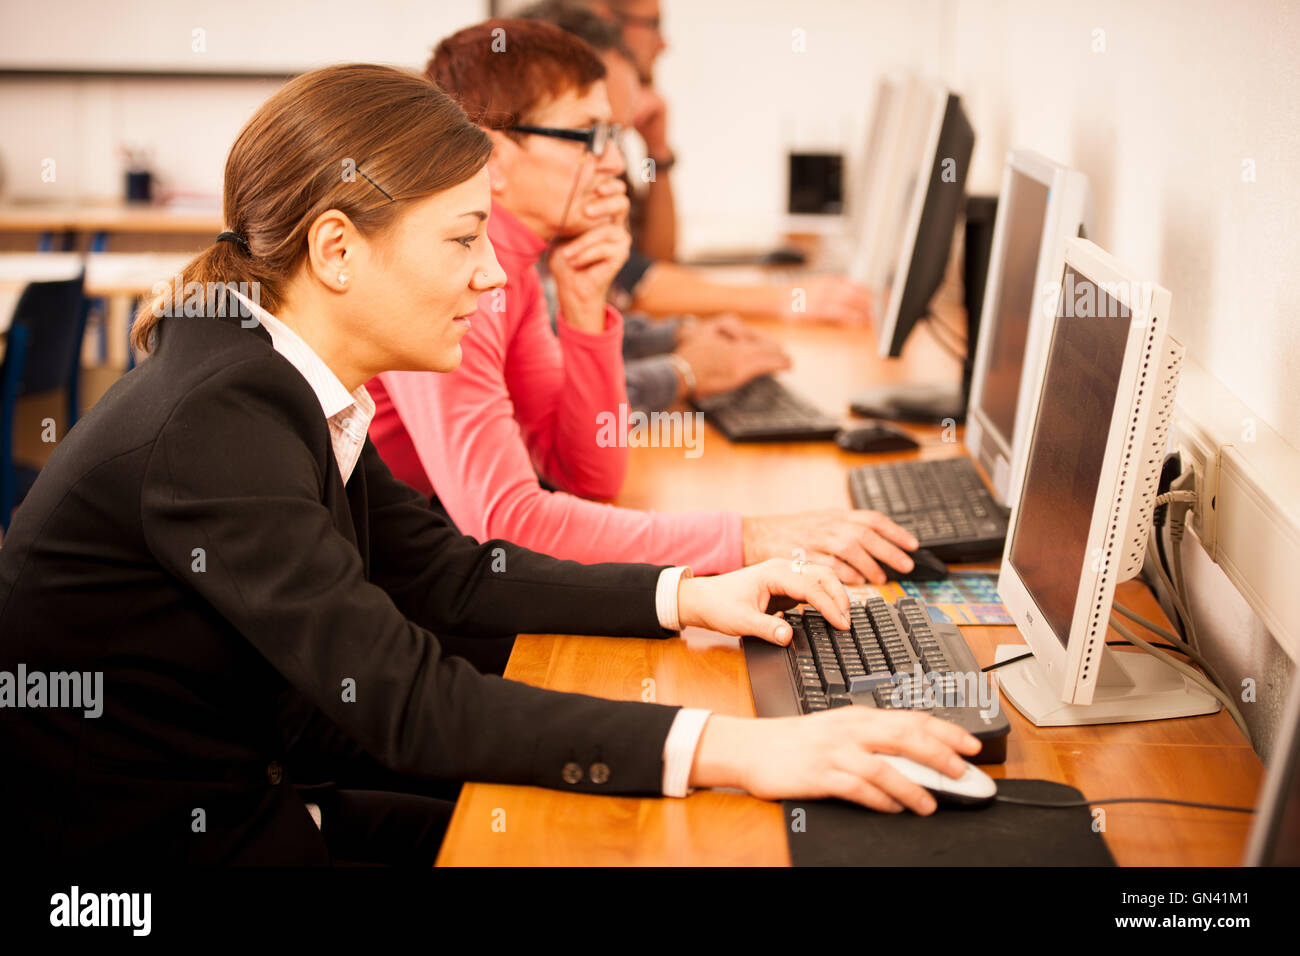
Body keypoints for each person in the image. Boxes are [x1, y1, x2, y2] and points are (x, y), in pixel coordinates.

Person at [0, 64, 979, 866]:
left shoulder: (272, 381)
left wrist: (687, 594)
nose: (495, 272)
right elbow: (403, 697)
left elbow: (452, 570)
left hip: (258, 783)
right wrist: (742, 746)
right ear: (336, 250)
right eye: (465, 238)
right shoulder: (222, 420)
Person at [369, 20, 920, 583]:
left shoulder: (518, 271)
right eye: (589, 136)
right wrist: (751, 537)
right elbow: (507, 527)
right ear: (492, 158)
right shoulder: (452, 275)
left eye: (614, 138)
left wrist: (586, 306)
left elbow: (587, 473)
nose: (613, 164)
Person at [571, 0, 877, 325]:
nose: (664, 43)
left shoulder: (604, 130)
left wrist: (658, 153)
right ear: (605, 19)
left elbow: (654, 259)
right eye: (653, 24)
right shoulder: (572, 133)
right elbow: (629, 280)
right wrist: (785, 299)